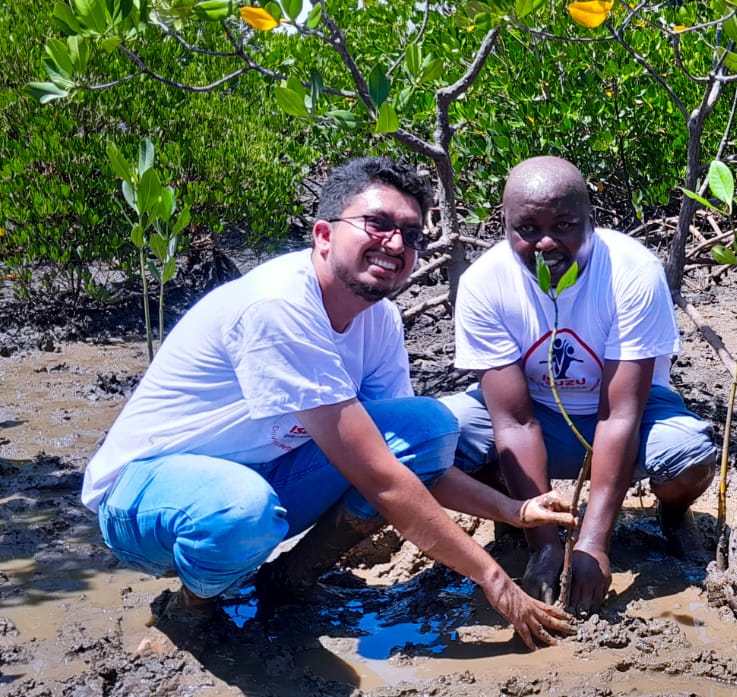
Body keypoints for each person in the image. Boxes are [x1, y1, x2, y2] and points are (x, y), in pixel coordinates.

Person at [82, 156, 575, 649]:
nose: (396, 244)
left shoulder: (379, 320)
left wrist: (514, 510)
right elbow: (382, 479)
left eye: (411, 233)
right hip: (144, 497)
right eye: (378, 224)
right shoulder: (278, 307)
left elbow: (407, 465)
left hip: (263, 477)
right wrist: (493, 580)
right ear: (323, 234)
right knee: (240, 513)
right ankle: (191, 608)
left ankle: (290, 577)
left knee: (429, 428)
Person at [440, 156, 718, 614]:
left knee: (690, 455)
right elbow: (513, 421)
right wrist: (545, 546)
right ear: (504, 226)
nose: (545, 242)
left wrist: (593, 542)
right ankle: (519, 517)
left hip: (625, 415)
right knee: (439, 436)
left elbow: (619, 414)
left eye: (564, 225)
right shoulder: (483, 284)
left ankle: (672, 514)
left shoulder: (631, 270)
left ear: (591, 221)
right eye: (526, 229)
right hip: (536, 414)